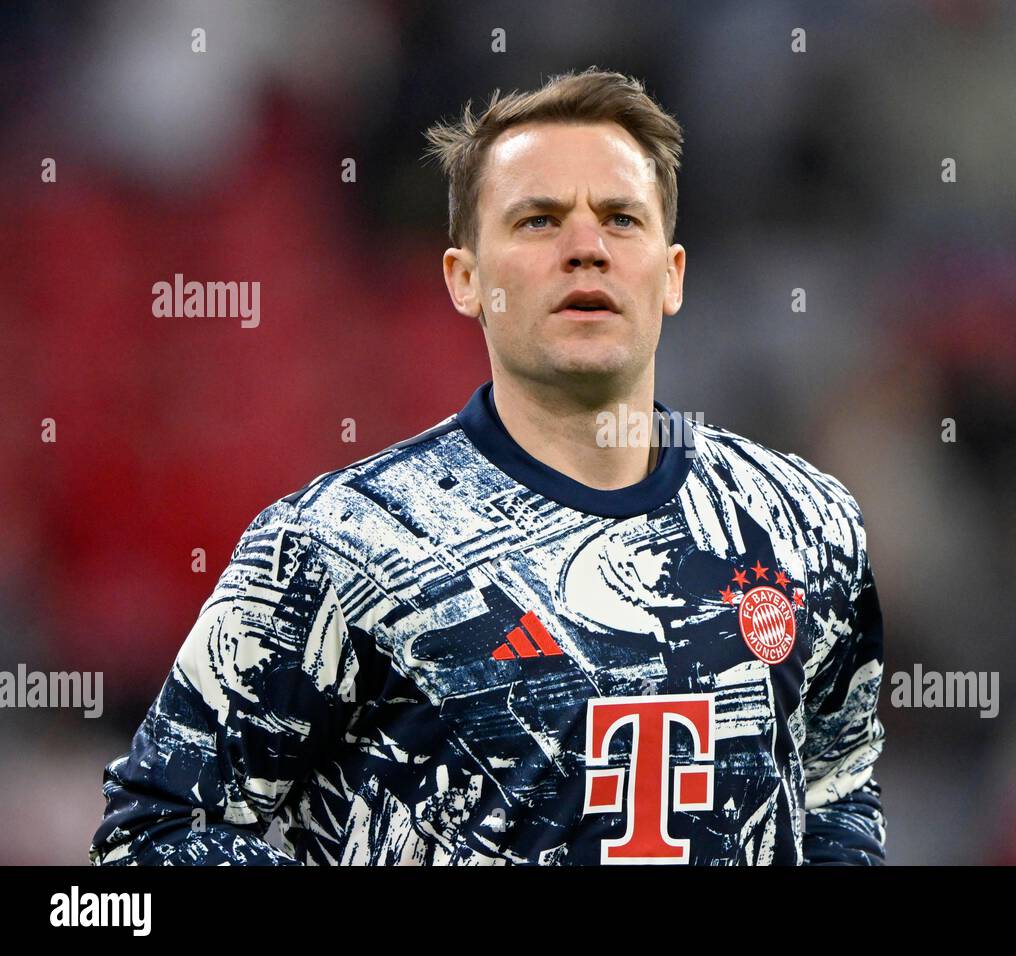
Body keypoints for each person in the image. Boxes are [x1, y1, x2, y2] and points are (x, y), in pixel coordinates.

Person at [89, 67, 887, 866]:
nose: (587, 250)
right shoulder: (340, 541)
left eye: (620, 219)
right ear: (466, 279)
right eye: (539, 222)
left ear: (671, 275)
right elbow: (151, 836)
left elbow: (838, 799)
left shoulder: (805, 526)